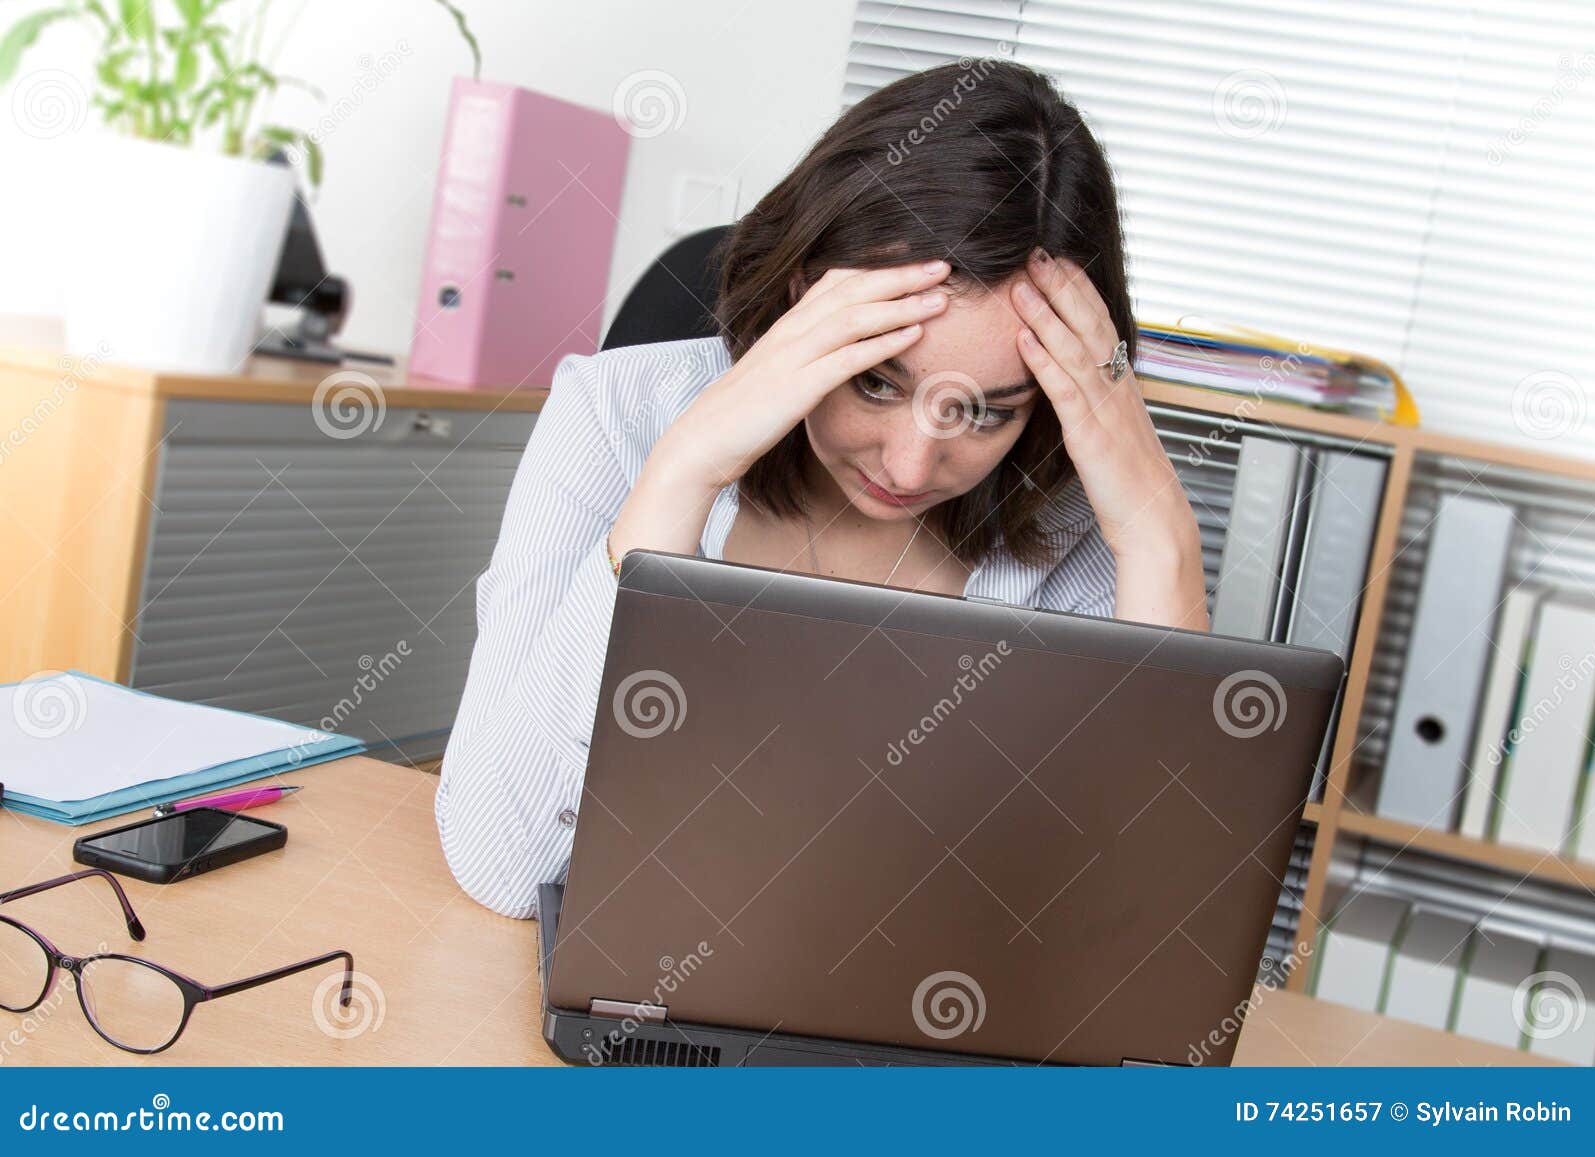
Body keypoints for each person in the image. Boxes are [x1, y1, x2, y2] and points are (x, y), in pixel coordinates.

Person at [436, 59, 1207, 919]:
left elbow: (1150, 924)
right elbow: (501, 861)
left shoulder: (1072, 524)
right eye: (876, 381)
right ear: (802, 291)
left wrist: (1159, 533)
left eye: (986, 412)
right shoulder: (615, 413)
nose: (908, 467)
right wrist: (682, 474)